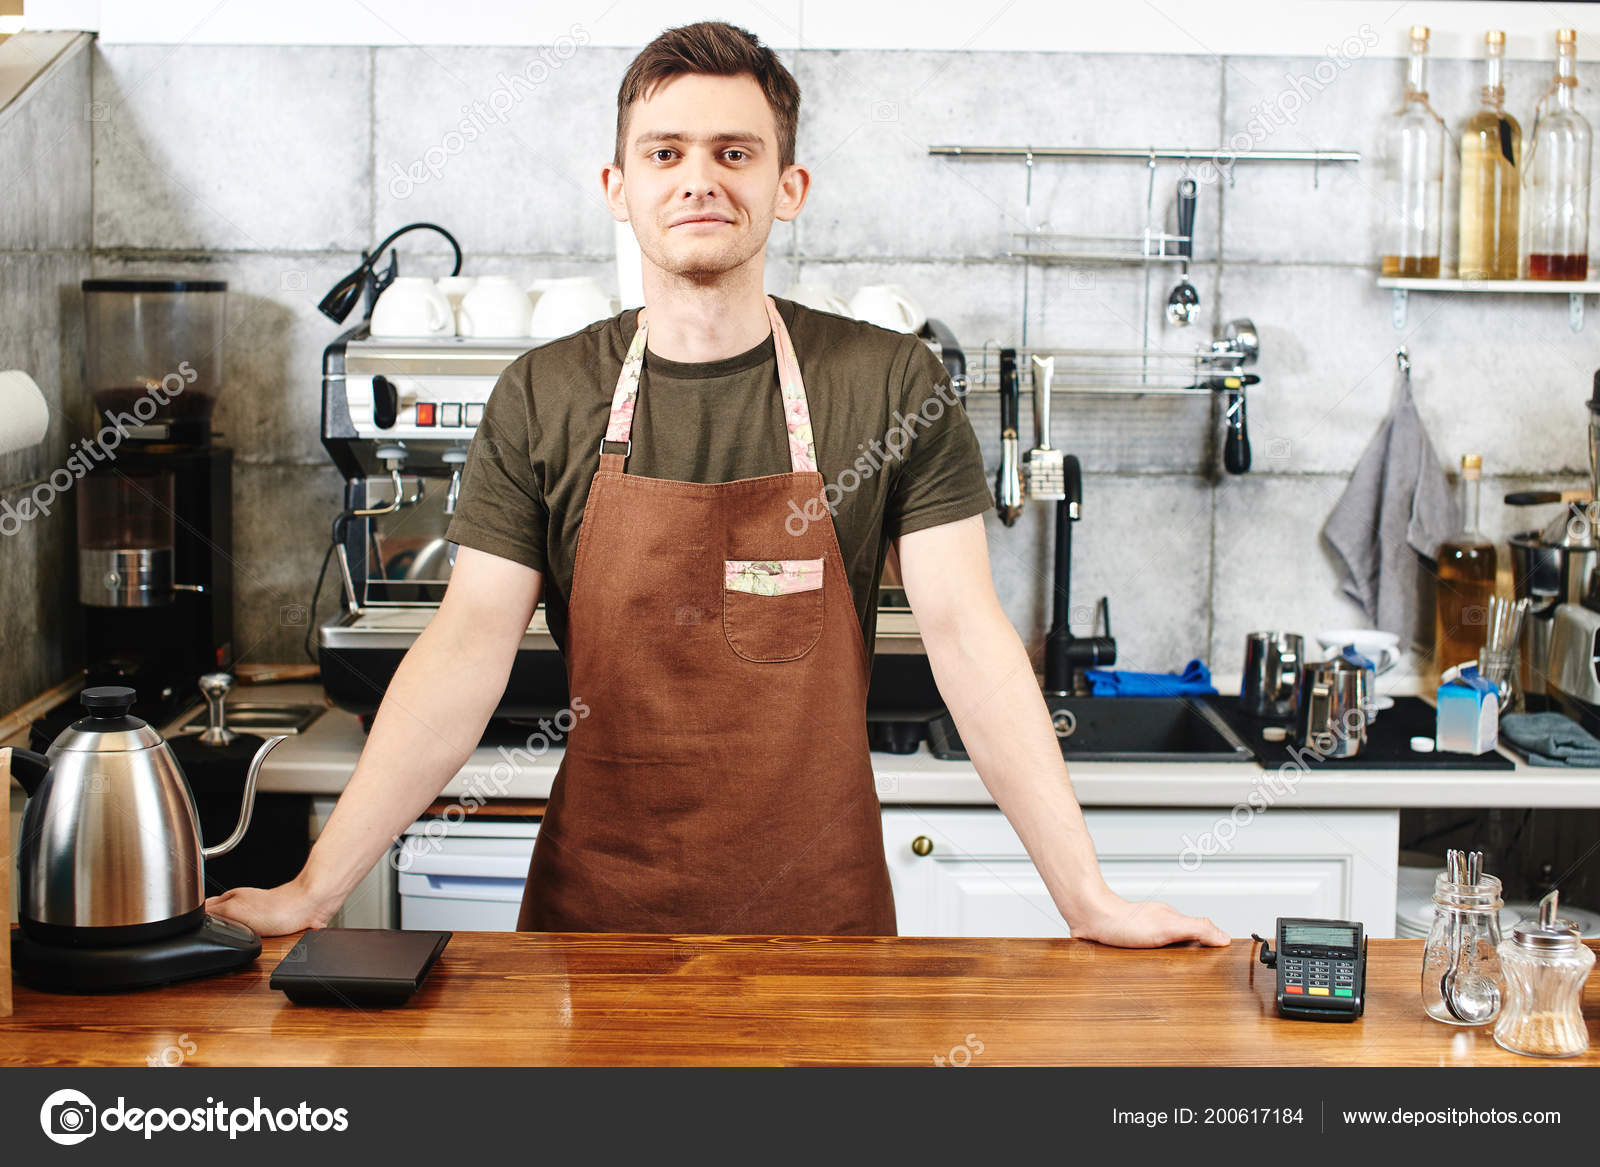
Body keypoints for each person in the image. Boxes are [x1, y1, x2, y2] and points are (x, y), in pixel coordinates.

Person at [207, 20, 1227, 948]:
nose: (700, 179)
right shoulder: (547, 393)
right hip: (593, 932)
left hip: (820, 928)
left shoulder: (885, 382)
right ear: (619, 188)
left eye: (734, 152)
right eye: (666, 153)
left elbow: (968, 639)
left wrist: (1086, 899)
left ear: (789, 188)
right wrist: (315, 889)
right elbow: (467, 646)